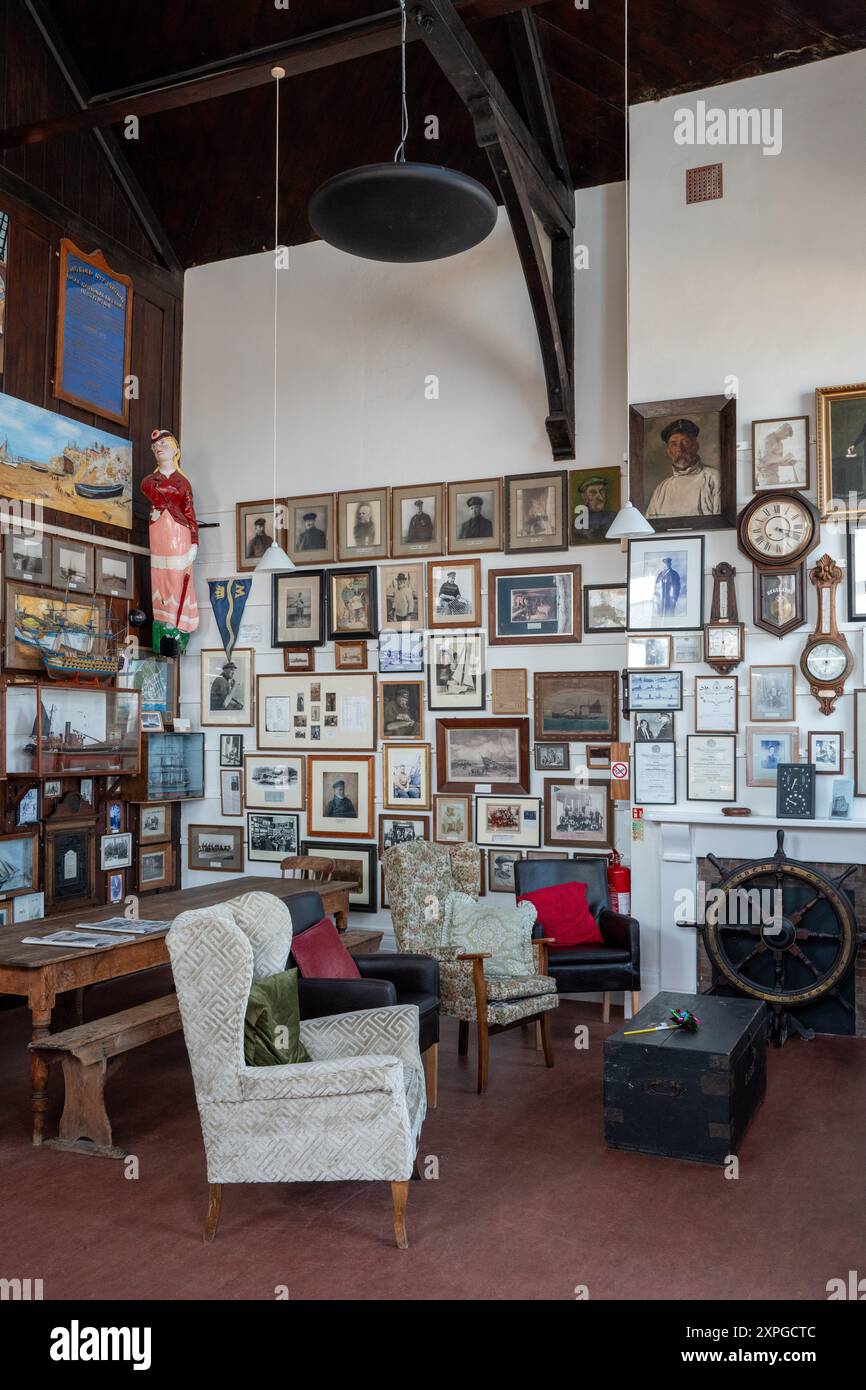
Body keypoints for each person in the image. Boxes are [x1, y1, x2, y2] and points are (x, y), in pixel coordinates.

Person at [141, 429, 199, 649]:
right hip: (158, 531)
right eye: (155, 446)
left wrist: (194, 541)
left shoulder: (183, 483)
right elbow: (149, 491)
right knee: (159, 577)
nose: (159, 448)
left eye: (163, 444)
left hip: (179, 532)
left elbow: (190, 512)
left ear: (175, 448)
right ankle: (163, 625)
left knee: (177, 579)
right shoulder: (148, 482)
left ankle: (178, 625)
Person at [646, 418, 722, 519]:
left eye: (686, 442)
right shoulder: (661, 489)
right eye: (674, 444)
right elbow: (651, 526)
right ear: (668, 451)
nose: (680, 449)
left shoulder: (714, 479)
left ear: (696, 445)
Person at [573, 475, 616, 539]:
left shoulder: (613, 517)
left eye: (602, 491)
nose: (599, 496)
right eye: (593, 492)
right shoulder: (579, 522)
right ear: (585, 497)